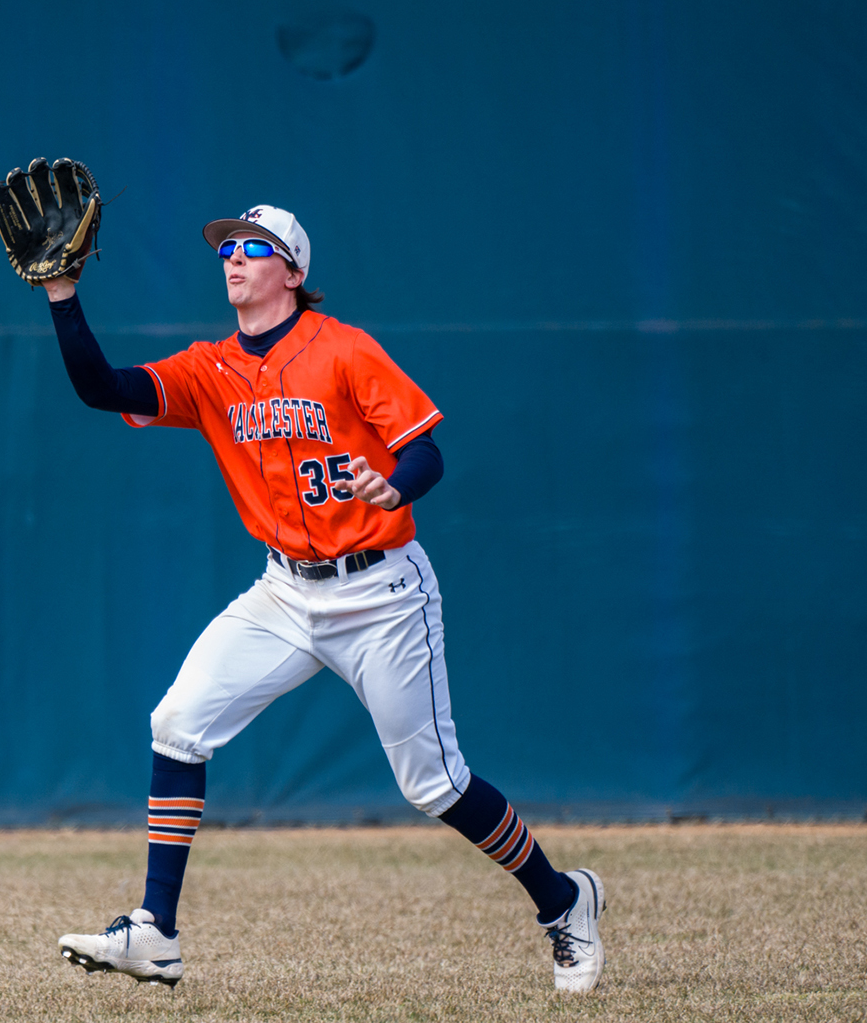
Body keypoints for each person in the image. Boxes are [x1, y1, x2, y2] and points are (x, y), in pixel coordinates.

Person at [37, 204, 606, 993]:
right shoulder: (208, 369)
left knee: (435, 786)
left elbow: (426, 450)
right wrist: (63, 294)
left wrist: (394, 484)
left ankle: (564, 900)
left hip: (381, 593)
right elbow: (102, 388)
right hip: (284, 592)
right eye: (225, 249)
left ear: (294, 271)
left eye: (252, 246)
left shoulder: (344, 349)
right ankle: (154, 931)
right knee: (177, 724)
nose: (233, 258)